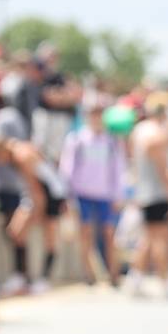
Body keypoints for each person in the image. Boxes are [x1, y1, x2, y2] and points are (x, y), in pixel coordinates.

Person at [0, 131, 68, 292]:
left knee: (49, 236)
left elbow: (37, 188)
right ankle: (21, 276)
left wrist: (37, 211)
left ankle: (42, 280)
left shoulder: (22, 156)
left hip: (52, 194)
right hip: (38, 193)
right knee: (16, 232)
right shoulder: (17, 150)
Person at [125, 92, 168, 298]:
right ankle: (164, 282)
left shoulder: (139, 131)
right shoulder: (157, 136)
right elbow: (163, 171)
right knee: (161, 238)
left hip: (143, 192)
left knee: (148, 238)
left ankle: (136, 278)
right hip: (156, 193)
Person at [59, 99, 126, 286]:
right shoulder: (77, 139)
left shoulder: (112, 141)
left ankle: (114, 273)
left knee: (110, 234)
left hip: (105, 195)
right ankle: (89, 274)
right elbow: (67, 170)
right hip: (83, 195)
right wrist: (68, 196)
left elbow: (118, 170)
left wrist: (118, 195)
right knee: (85, 234)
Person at [0, 93, 31, 295]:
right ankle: (21, 276)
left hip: (8, 185)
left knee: (14, 232)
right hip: (15, 183)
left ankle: (19, 276)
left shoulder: (1, 119)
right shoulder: (16, 117)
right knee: (16, 234)